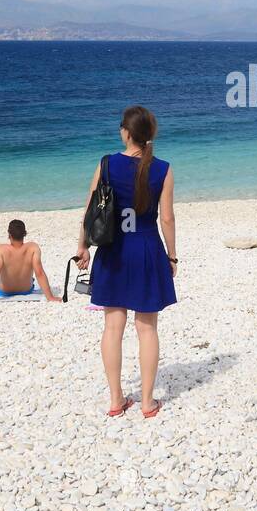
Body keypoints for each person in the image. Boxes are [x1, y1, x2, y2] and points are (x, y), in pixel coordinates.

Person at [75, 106, 177, 419]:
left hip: (113, 250)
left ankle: (116, 400)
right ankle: (147, 403)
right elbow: (168, 219)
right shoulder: (162, 168)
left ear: (126, 133)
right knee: (147, 329)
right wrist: (172, 256)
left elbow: (91, 209)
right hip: (146, 249)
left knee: (112, 327)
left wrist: (82, 247)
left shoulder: (107, 164)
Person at [0, 219, 58, 305]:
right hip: (26, 290)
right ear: (25, 233)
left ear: (9, 235)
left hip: (3, 292)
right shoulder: (33, 248)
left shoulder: (1, 249)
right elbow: (39, 273)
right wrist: (50, 297)